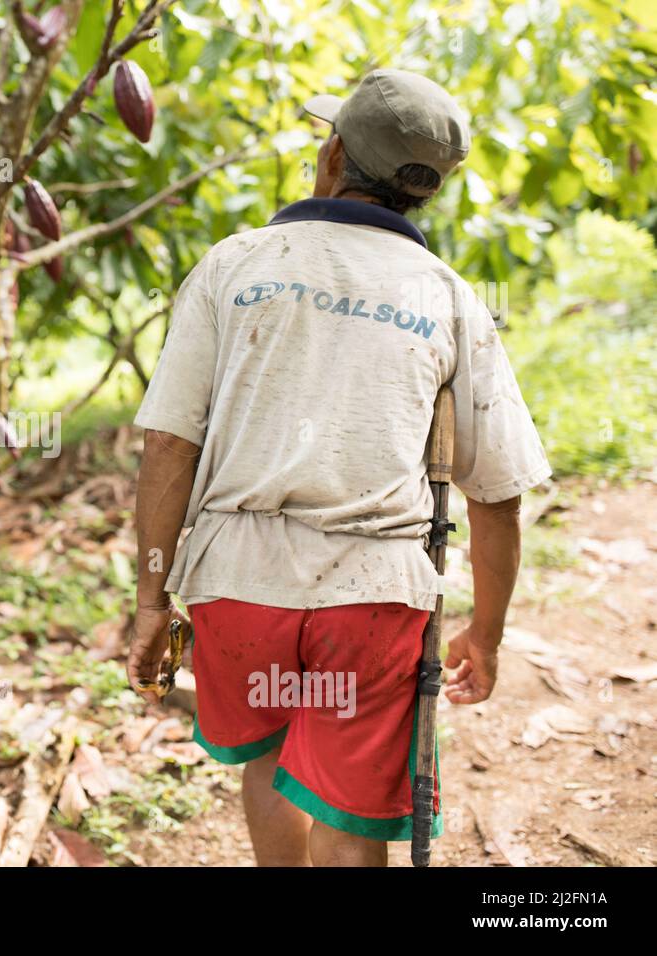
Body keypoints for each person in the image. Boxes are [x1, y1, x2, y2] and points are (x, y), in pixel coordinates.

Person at [127, 69, 551, 866]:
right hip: (372, 599)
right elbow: (496, 495)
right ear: (422, 192)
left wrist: (151, 600)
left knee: (267, 757)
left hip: (238, 589)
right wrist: (485, 636)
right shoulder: (449, 297)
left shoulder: (236, 264)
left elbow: (168, 446)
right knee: (352, 818)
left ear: (331, 158)